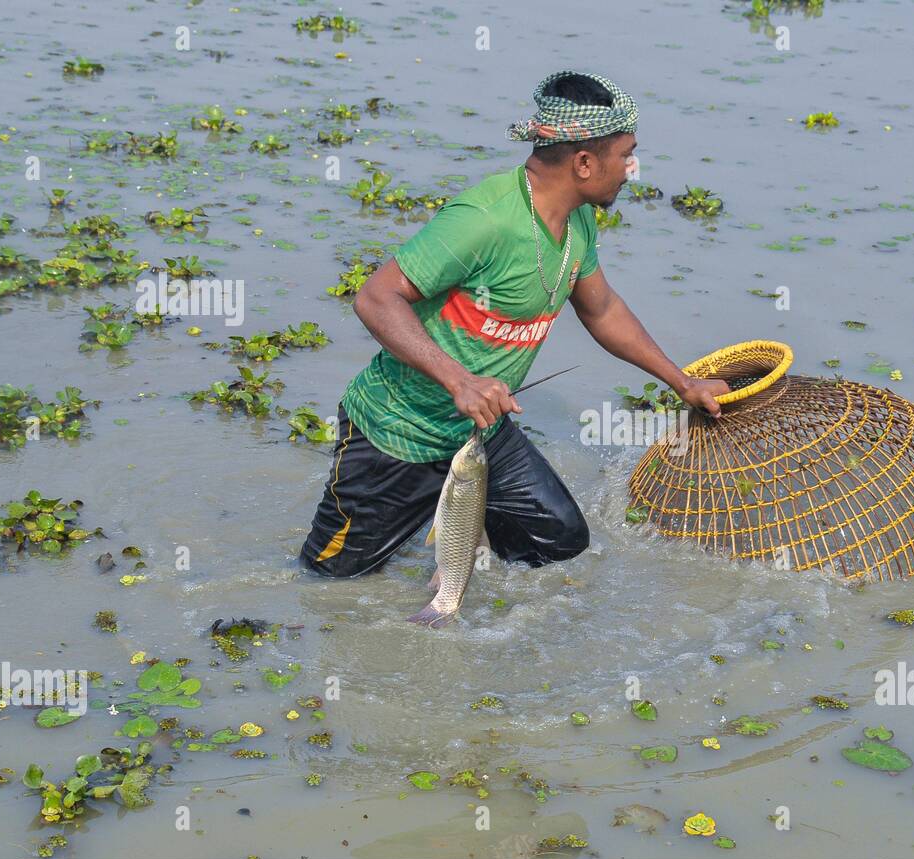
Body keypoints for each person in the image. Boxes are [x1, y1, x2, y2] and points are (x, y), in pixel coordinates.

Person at [301, 69, 729, 578]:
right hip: (396, 437)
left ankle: (460, 555)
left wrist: (682, 382)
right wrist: (460, 381)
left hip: (480, 434)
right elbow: (376, 298)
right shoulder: (485, 219)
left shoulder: (578, 222)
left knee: (558, 540)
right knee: (330, 583)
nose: (632, 168)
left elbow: (602, 309)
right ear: (586, 162)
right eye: (626, 153)